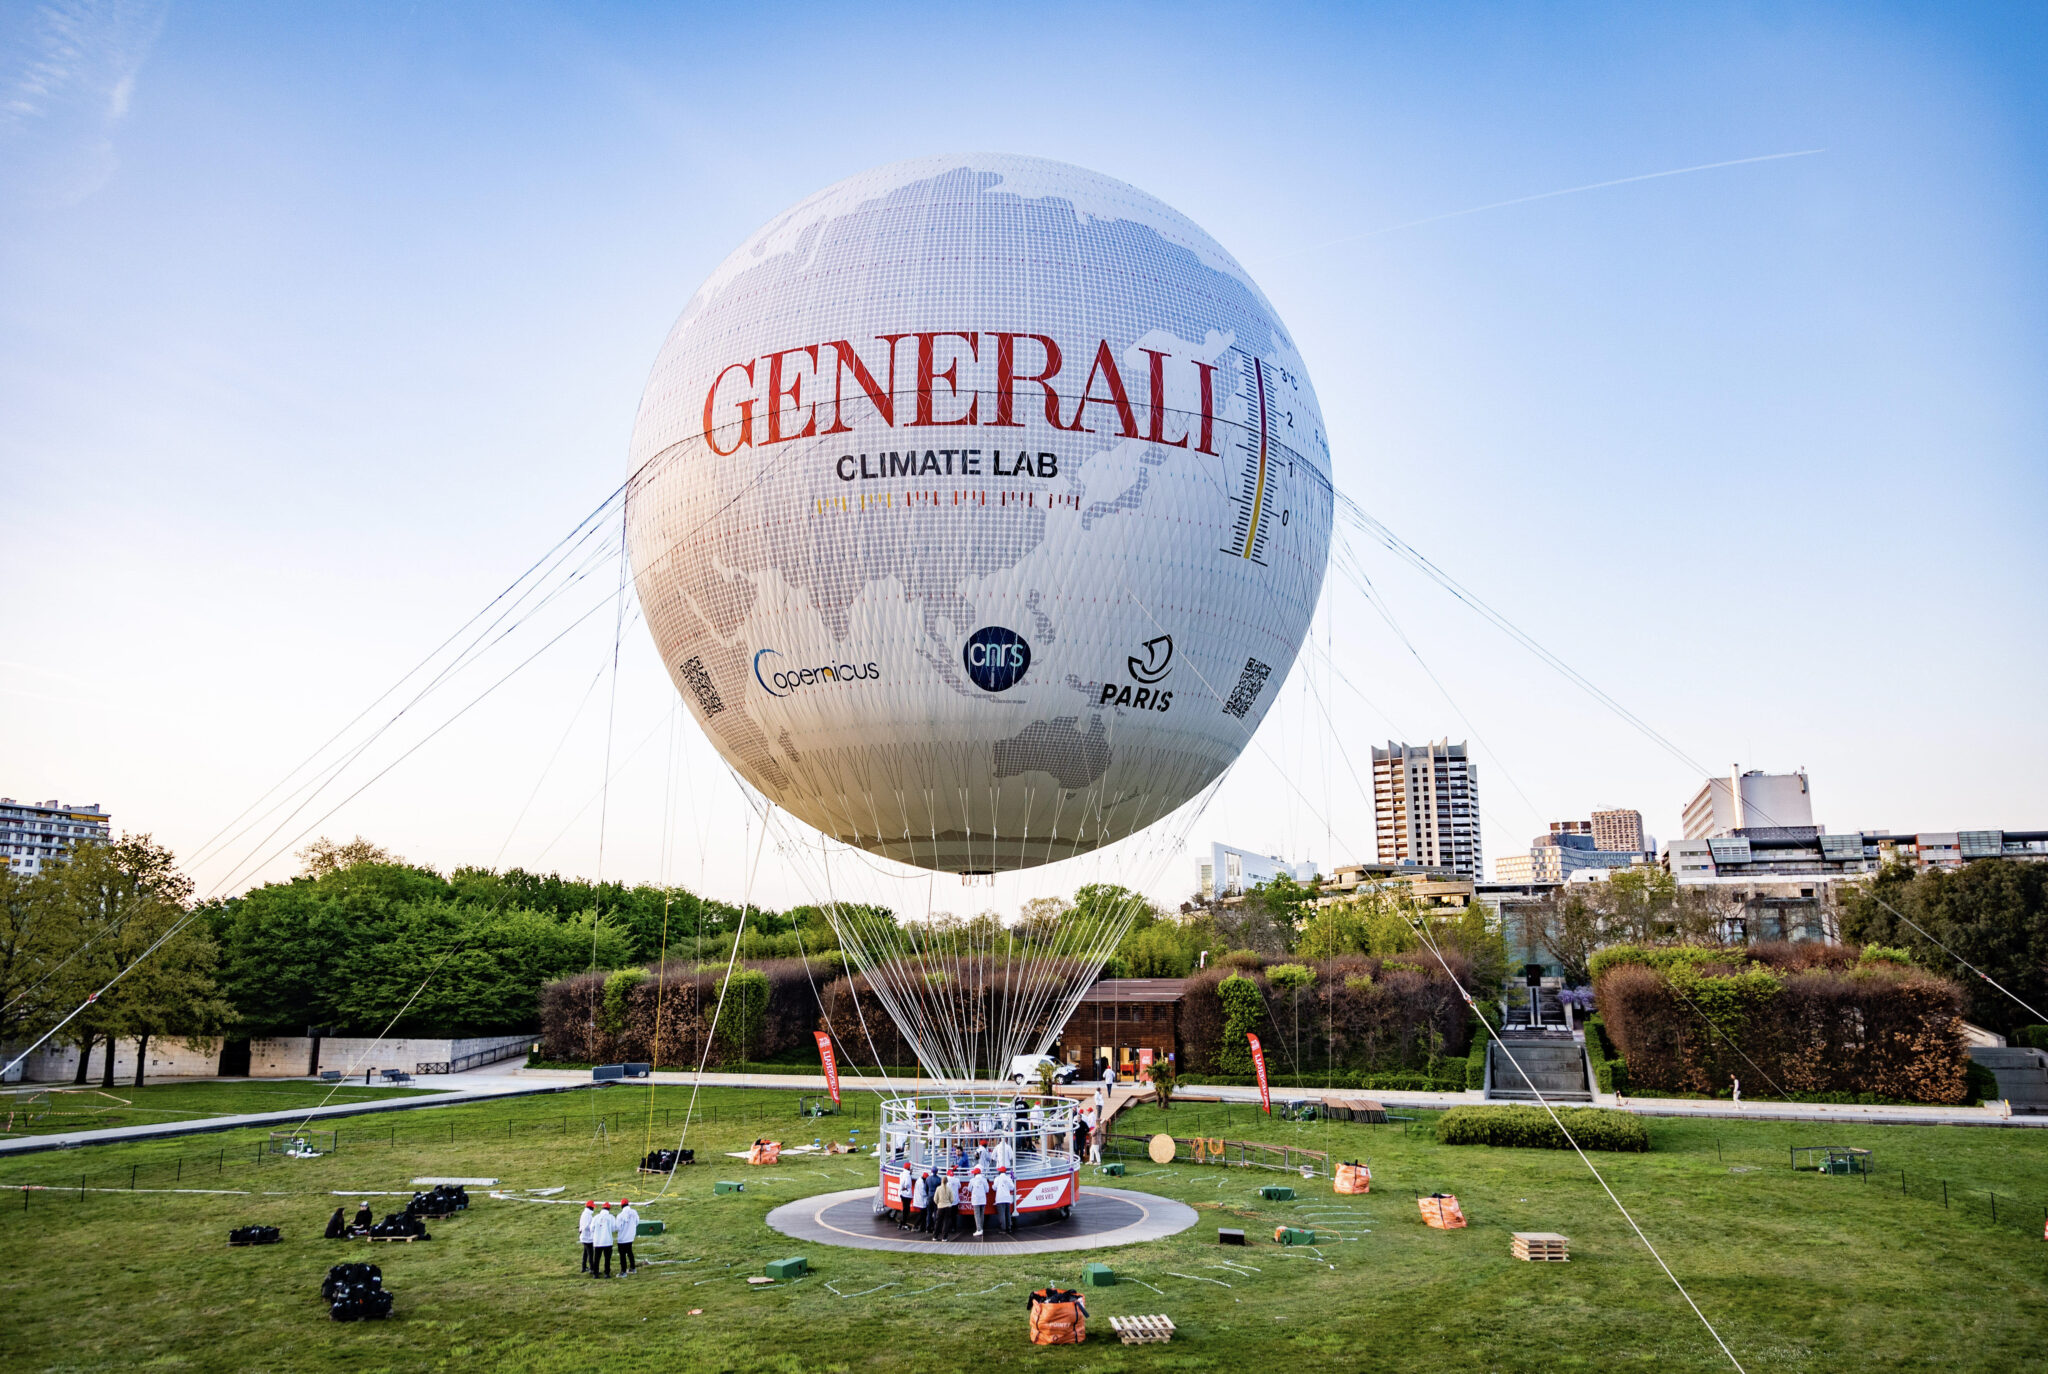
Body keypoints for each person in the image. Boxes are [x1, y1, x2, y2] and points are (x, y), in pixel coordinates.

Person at [589, 1201, 616, 1277]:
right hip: (608, 1241)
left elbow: (591, 1228)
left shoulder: (596, 1217)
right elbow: (614, 1228)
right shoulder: (611, 1217)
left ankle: (595, 1273)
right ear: (609, 1209)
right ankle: (607, 1273)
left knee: (597, 1258)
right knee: (607, 1259)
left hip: (598, 1241)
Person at [616, 1198, 640, 1274]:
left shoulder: (620, 1215)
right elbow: (637, 1222)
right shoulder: (634, 1212)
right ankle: (633, 1268)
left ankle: (623, 1271)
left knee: (622, 1255)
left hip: (622, 1238)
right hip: (631, 1236)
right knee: (630, 1252)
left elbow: (618, 1227)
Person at [932, 1172, 957, 1241]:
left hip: (940, 1206)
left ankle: (935, 1236)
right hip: (948, 1207)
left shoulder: (938, 1188)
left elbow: (935, 1199)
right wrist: (949, 1203)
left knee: (938, 1222)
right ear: (947, 1181)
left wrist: (938, 1204)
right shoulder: (949, 1189)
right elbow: (952, 1199)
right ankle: (944, 1237)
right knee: (946, 1222)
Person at [994, 1167, 1017, 1234]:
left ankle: (1003, 1229)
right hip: (1007, 1198)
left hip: (1000, 1198)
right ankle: (1009, 1227)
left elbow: (994, 1188)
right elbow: (1012, 1187)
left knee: (1002, 1214)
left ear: (999, 1172)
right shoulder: (1008, 1178)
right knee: (1007, 1213)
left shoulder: (997, 1178)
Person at [968, 1166, 989, 1238]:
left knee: (977, 1215)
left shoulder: (972, 1180)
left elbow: (969, 1189)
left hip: (976, 1199)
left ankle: (979, 1229)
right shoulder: (984, 1180)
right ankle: (981, 1228)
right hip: (983, 1199)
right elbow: (987, 1190)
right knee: (981, 1214)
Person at [578, 1200, 597, 1274]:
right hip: (587, 1238)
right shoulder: (588, 1215)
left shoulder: (584, 1213)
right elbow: (586, 1226)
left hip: (584, 1237)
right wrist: (592, 1229)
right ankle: (592, 1268)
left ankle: (584, 1267)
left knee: (586, 1252)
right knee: (590, 1253)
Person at [911, 1167, 931, 1234]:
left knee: (923, 1214)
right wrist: (929, 1194)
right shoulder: (921, 1183)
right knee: (922, 1215)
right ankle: (916, 1226)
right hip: (921, 1201)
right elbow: (923, 1193)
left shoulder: (920, 1180)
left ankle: (922, 1227)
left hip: (920, 1200)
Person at [897, 1161, 916, 1229]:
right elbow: (907, 1185)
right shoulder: (907, 1176)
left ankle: (902, 1223)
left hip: (902, 1194)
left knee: (905, 1209)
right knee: (906, 1210)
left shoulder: (902, 1174)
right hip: (907, 1195)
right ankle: (903, 1223)